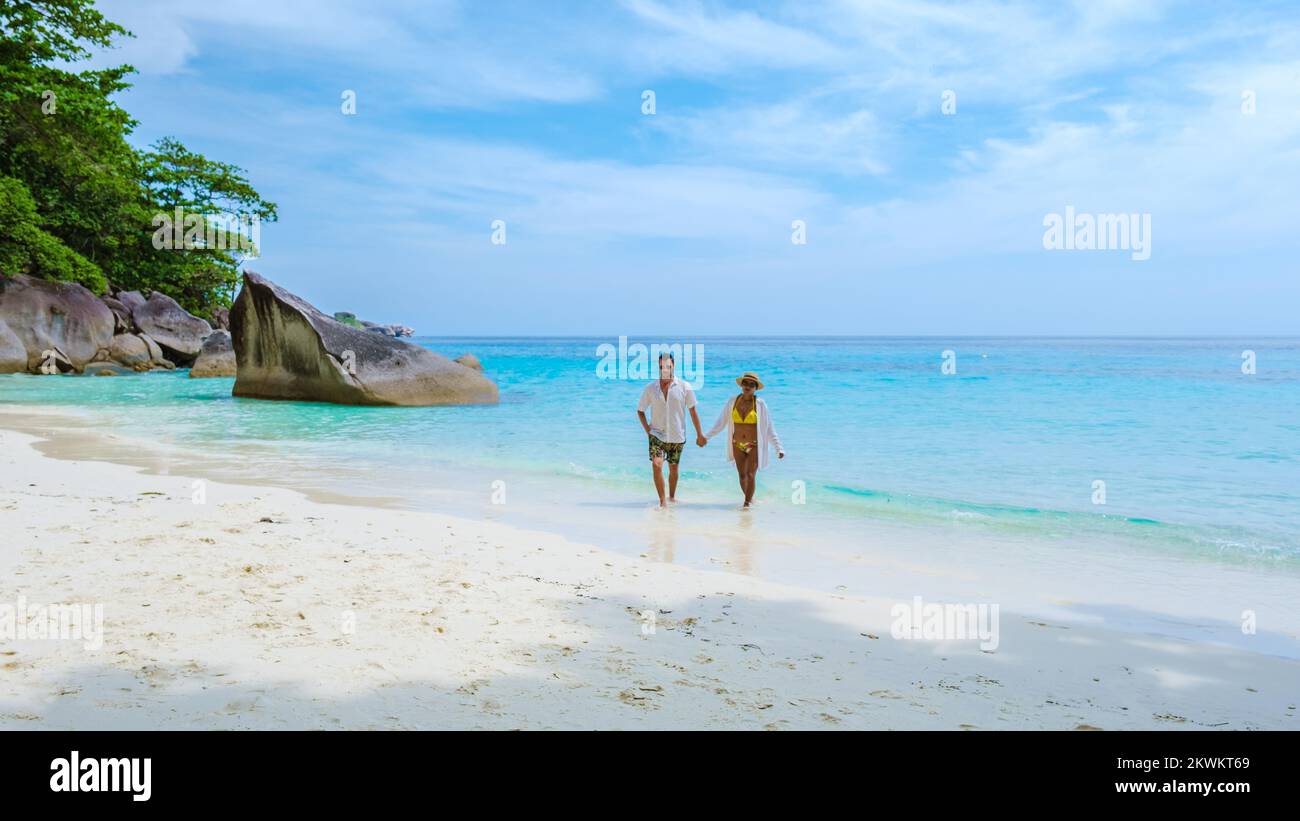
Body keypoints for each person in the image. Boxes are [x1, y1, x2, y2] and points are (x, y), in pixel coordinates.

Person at [703, 371, 785, 508]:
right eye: (745, 383)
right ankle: (750, 499)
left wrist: (779, 448)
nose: (747, 386)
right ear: (741, 385)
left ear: (755, 388)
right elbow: (721, 423)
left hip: (754, 445)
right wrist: (706, 437)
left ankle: (746, 505)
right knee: (742, 476)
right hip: (737, 444)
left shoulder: (760, 404)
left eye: (751, 384)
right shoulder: (733, 401)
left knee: (751, 475)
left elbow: (769, 428)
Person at [637, 352, 706, 507]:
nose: (665, 369)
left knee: (673, 469)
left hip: (677, 436)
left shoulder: (684, 387)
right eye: (662, 366)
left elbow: (693, 411)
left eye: (668, 366)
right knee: (657, 464)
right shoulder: (651, 388)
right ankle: (663, 503)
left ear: (673, 365)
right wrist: (648, 429)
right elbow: (640, 410)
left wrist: (700, 435)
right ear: (659, 366)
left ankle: (672, 497)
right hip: (657, 434)